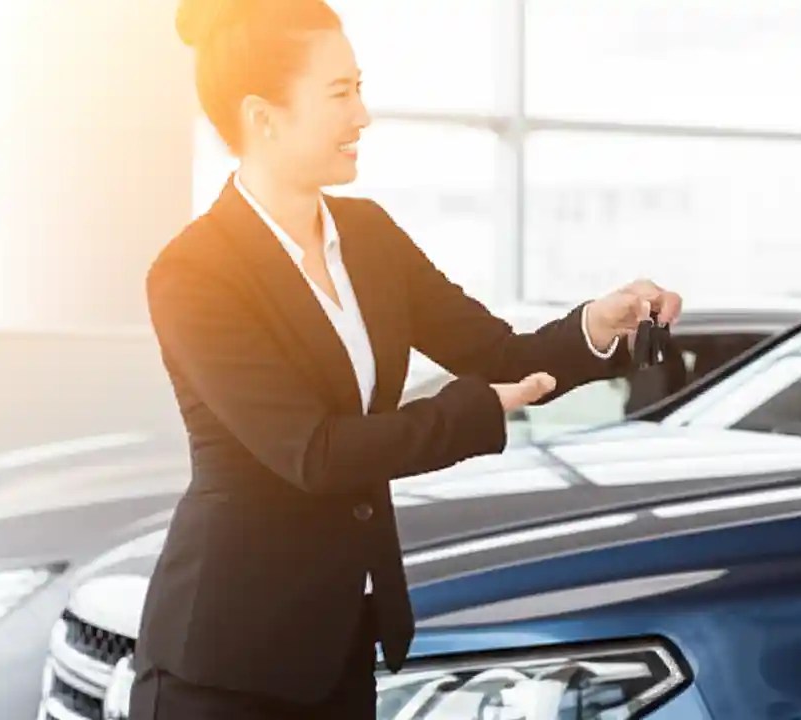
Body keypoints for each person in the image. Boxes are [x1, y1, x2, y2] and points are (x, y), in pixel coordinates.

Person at [128, 1, 682, 718]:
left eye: (359, 88)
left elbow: (499, 353)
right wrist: (473, 413)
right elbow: (314, 453)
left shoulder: (368, 235)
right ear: (263, 117)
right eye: (339, 93)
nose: (362, 115)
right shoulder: (195, 273)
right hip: (225, 663)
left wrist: (595, 327)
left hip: (339, 644)